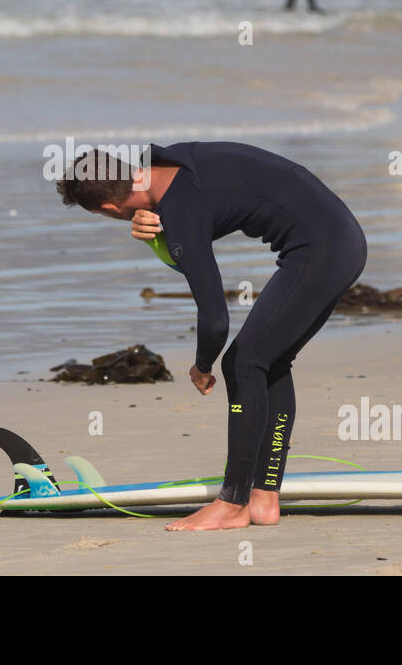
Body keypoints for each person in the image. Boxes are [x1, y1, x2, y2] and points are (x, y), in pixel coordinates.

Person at [56, 141, 367, 531]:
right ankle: (263, 498)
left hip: (321, 251)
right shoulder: (169, 162)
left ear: (108, 209)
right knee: (269, 360)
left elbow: (215, 315)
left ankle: (233, 503)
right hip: (340, 237)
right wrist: (154, 234)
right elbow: (191, 250)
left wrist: (202, 366)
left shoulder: (182, 211)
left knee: (242, 362)